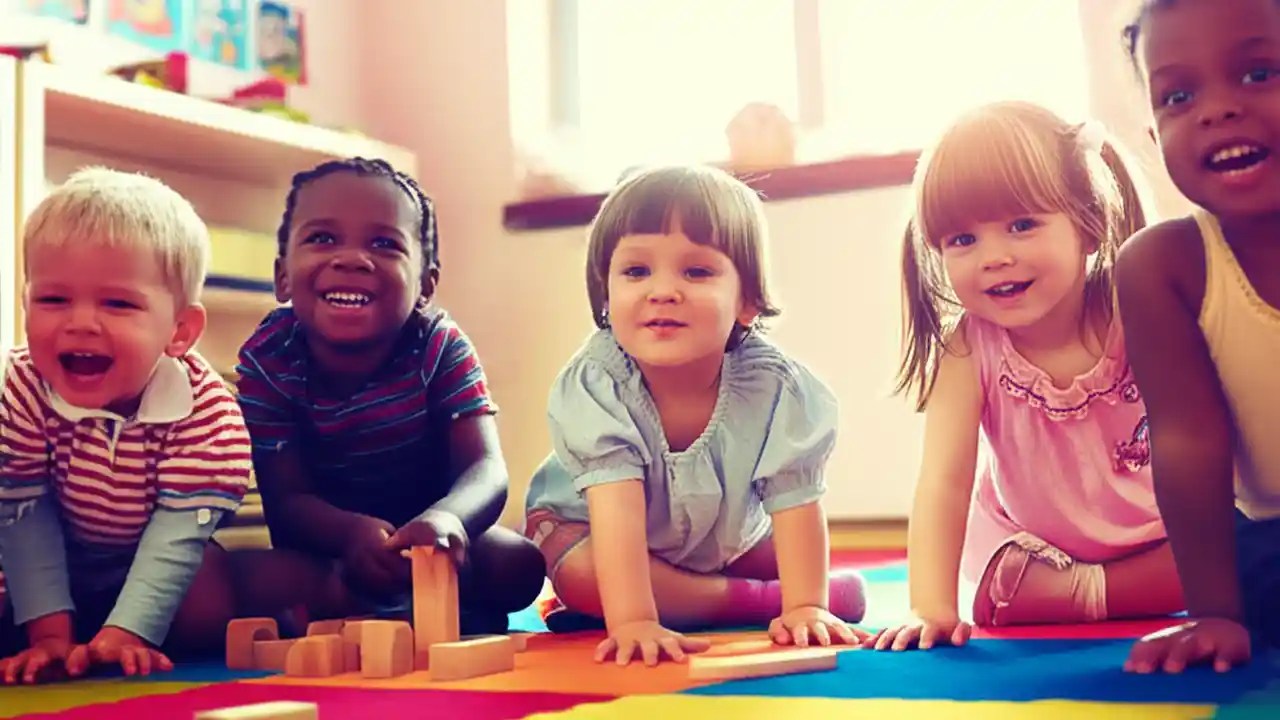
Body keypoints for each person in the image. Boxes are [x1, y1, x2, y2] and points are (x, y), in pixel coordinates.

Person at [524, 164, 869, 667]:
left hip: (720, 537)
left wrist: (808, 605)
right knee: (583, 578)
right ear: (605, 294)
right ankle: (750, 601)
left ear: (747, 300)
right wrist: (635, 621)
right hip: (597, 530)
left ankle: (738, 594)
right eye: (636, 272)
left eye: (697, 271)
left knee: (794, 551)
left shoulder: (778, 388)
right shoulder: (597, 385)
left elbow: (796, 504)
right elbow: (616, 514)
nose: (662, 291)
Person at [870, 101, 1183, 653]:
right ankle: (1111, 592)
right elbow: (944, 480)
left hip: (1153, 538)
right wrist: (929, 606)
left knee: (1236, 553)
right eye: (962, 240)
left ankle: (1094, 593)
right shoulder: (968, 347)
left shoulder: (1134, 309)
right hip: (1037, 553)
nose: (994, 257)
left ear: (1089, 225)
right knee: (995, 589)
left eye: (1022, 225)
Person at [234, 158, 544, 636]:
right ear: (282, 276)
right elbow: (286, 498)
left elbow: (486, 470)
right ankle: (365, 603)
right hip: (329, 551)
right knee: (242, 579)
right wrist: (350, 535)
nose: (352, 258)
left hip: (434, 546)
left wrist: (446, 520)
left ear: (426, 285)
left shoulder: (439, 344)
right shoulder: (266, 360)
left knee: (518, 565)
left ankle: (414, 604)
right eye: (322, 238)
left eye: (384, 243)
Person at [0, 168, 252, 684]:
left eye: (117, 303)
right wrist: (48, 631)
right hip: (59, 563)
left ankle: (111, 635)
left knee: (210, 594)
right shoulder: (20, 388)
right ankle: (61, 640)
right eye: (53, 300)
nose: (81, 322)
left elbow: (176, 538)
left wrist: (130, 632)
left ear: (180, 331)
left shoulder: (207, 416)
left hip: (146, 560)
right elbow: (23, 514)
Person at [1118, 0, 1280, 674]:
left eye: (1259, 72)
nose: (1216, 110)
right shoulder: (1163, 267)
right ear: (1156, 140)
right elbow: (1187, 439)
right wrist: (1214, 612)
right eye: (1178, 95)